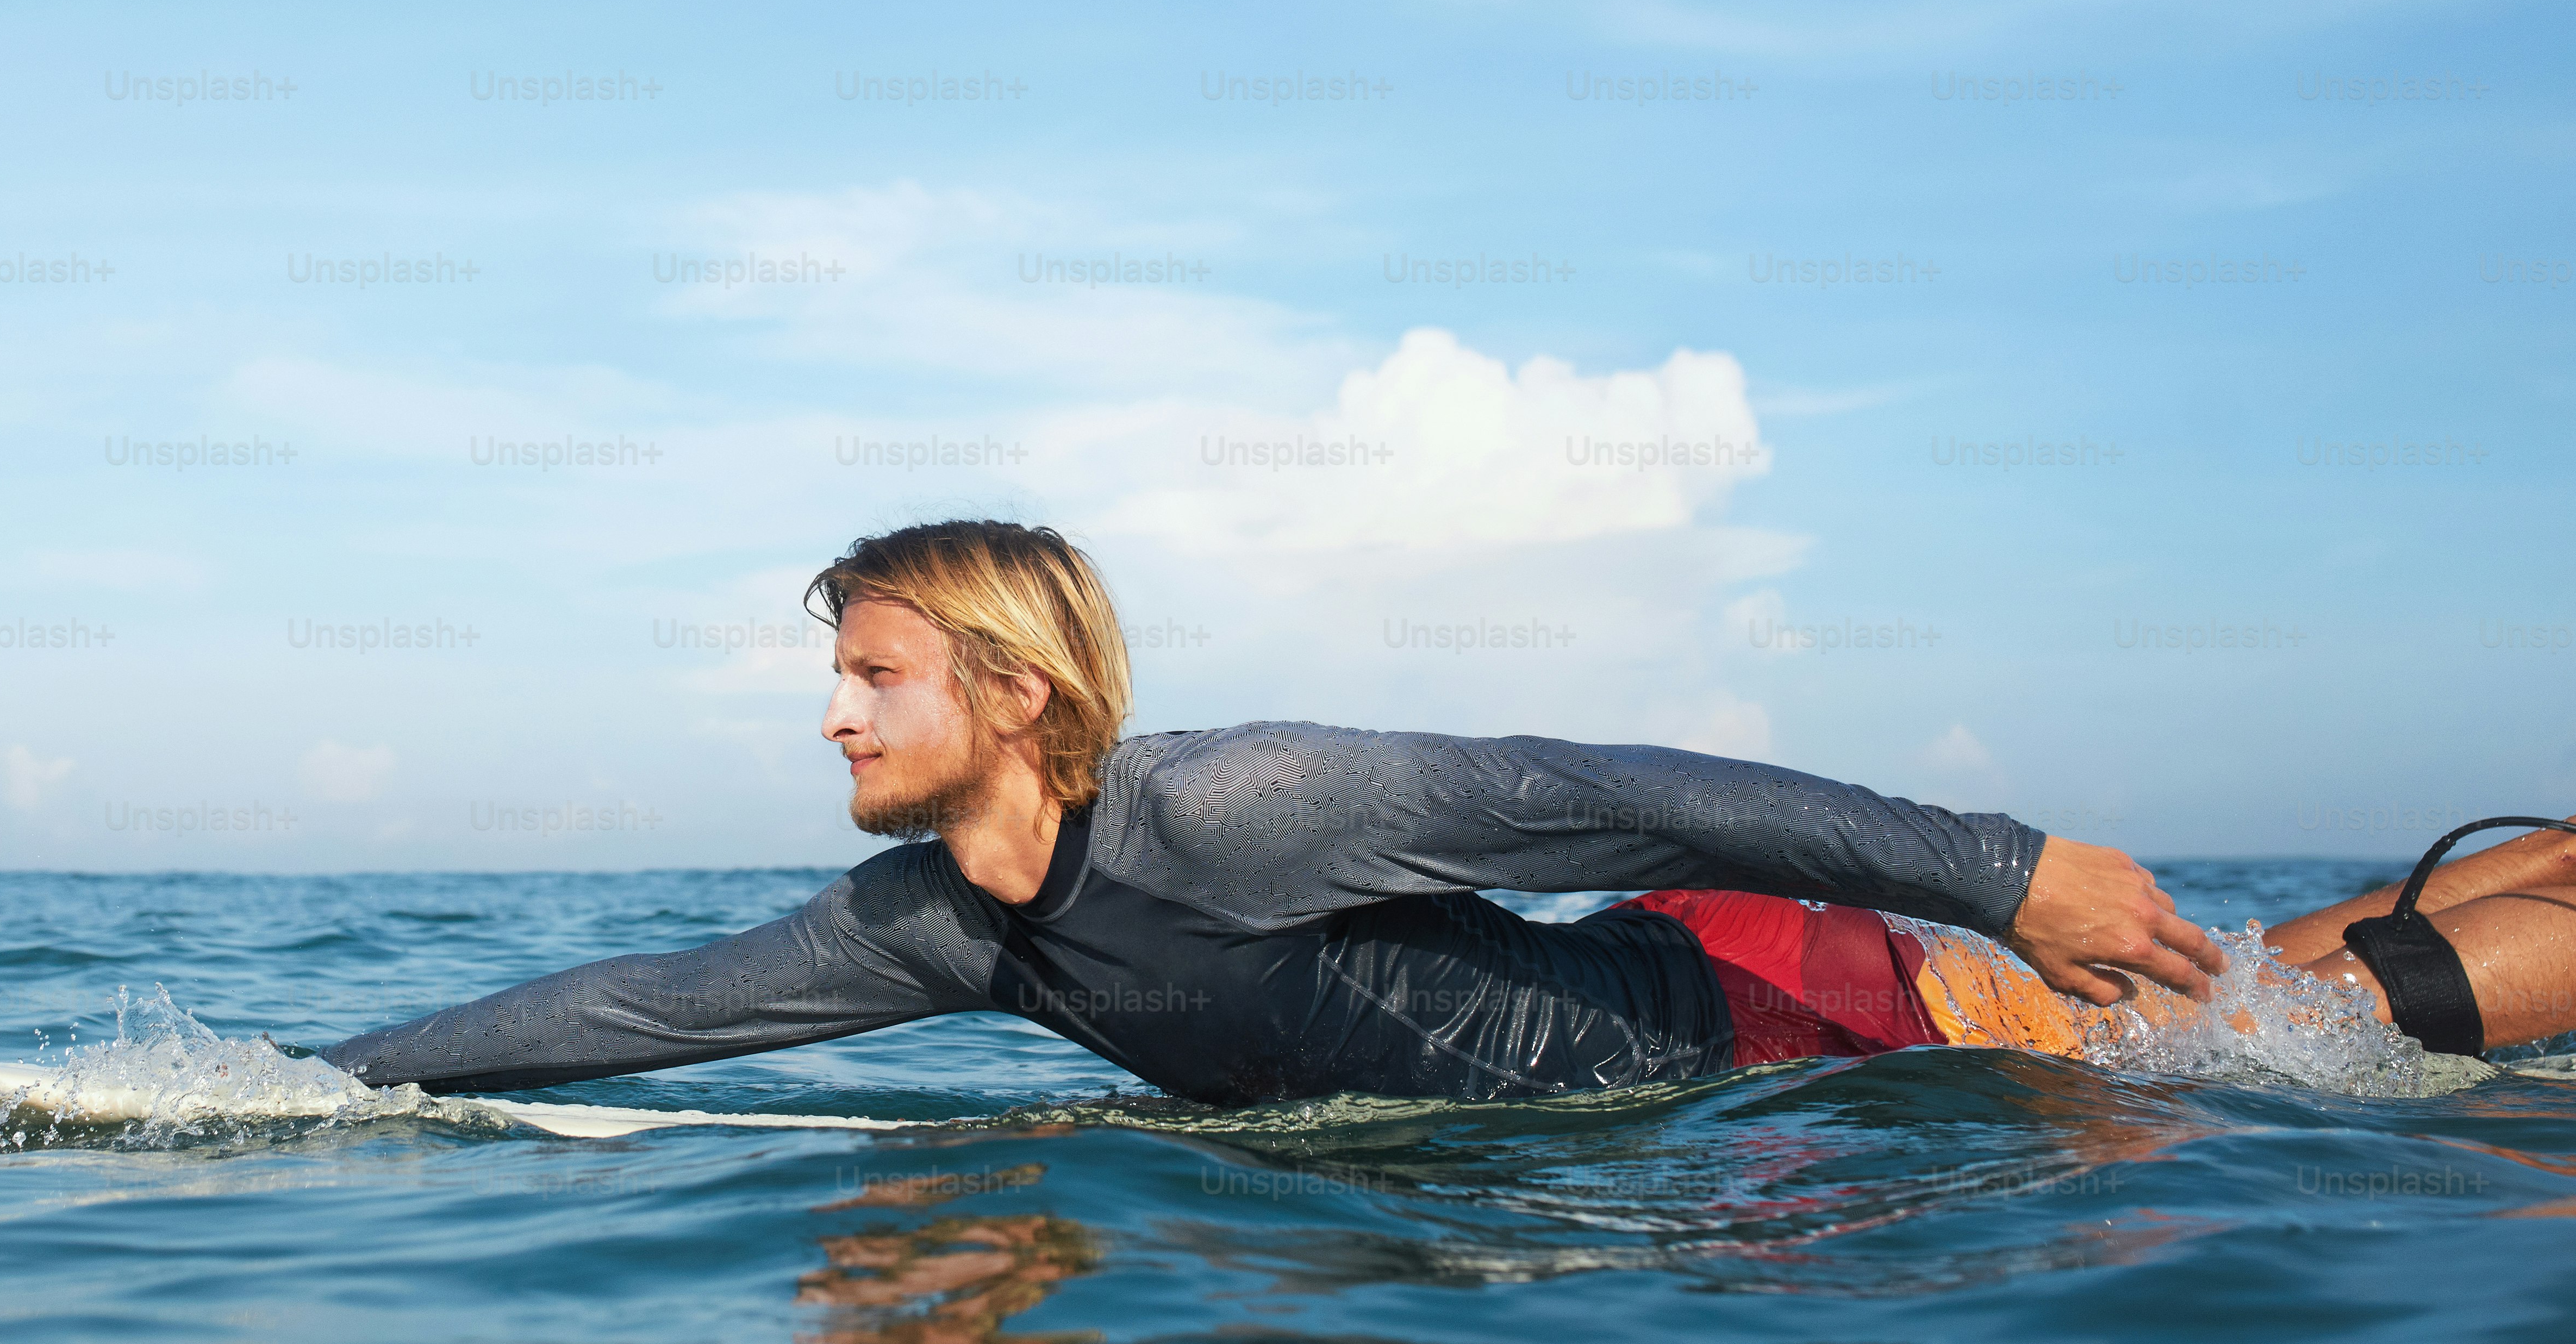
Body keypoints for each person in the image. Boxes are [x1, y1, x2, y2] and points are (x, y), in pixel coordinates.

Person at [317, 521, 2575, 1105]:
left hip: (1771, 1013)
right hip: (1710, 1015)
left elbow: (1615, 793)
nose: (831, 716)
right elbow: (640, 1009)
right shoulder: (935, 923)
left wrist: (2008, 869)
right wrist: (287, 1081)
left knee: (2292, 1037)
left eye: (873, 676)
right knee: (2248, 982)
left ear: (1016, 692)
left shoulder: (1246, 807)